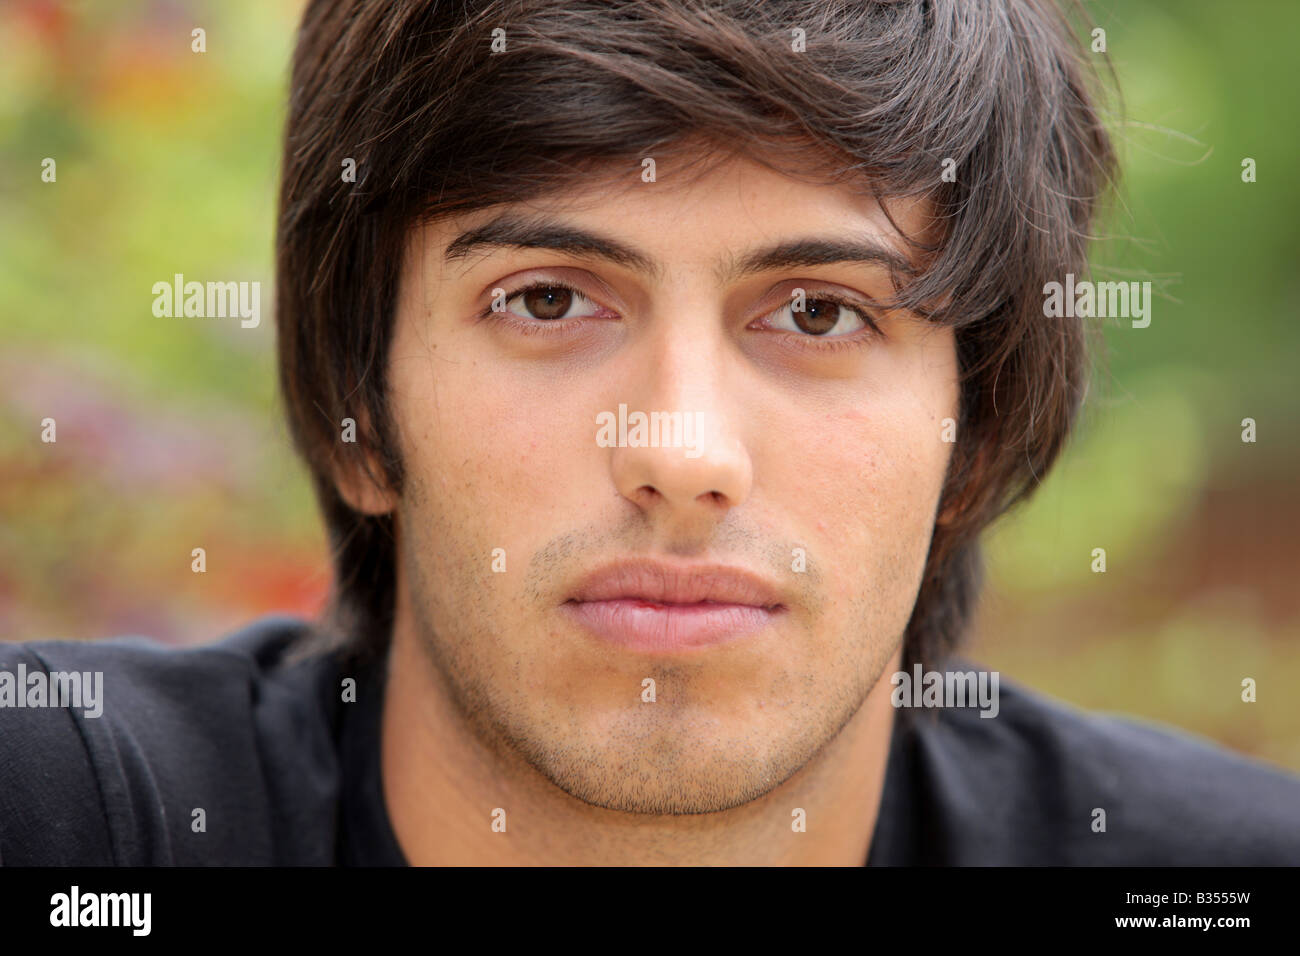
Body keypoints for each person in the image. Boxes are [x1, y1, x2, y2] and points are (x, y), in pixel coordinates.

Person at [3, 0, 1297, 866]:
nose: (680, 450)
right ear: (361, 416)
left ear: (976, 431)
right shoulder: (76, 820)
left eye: (816, 311)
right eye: (549, 298)